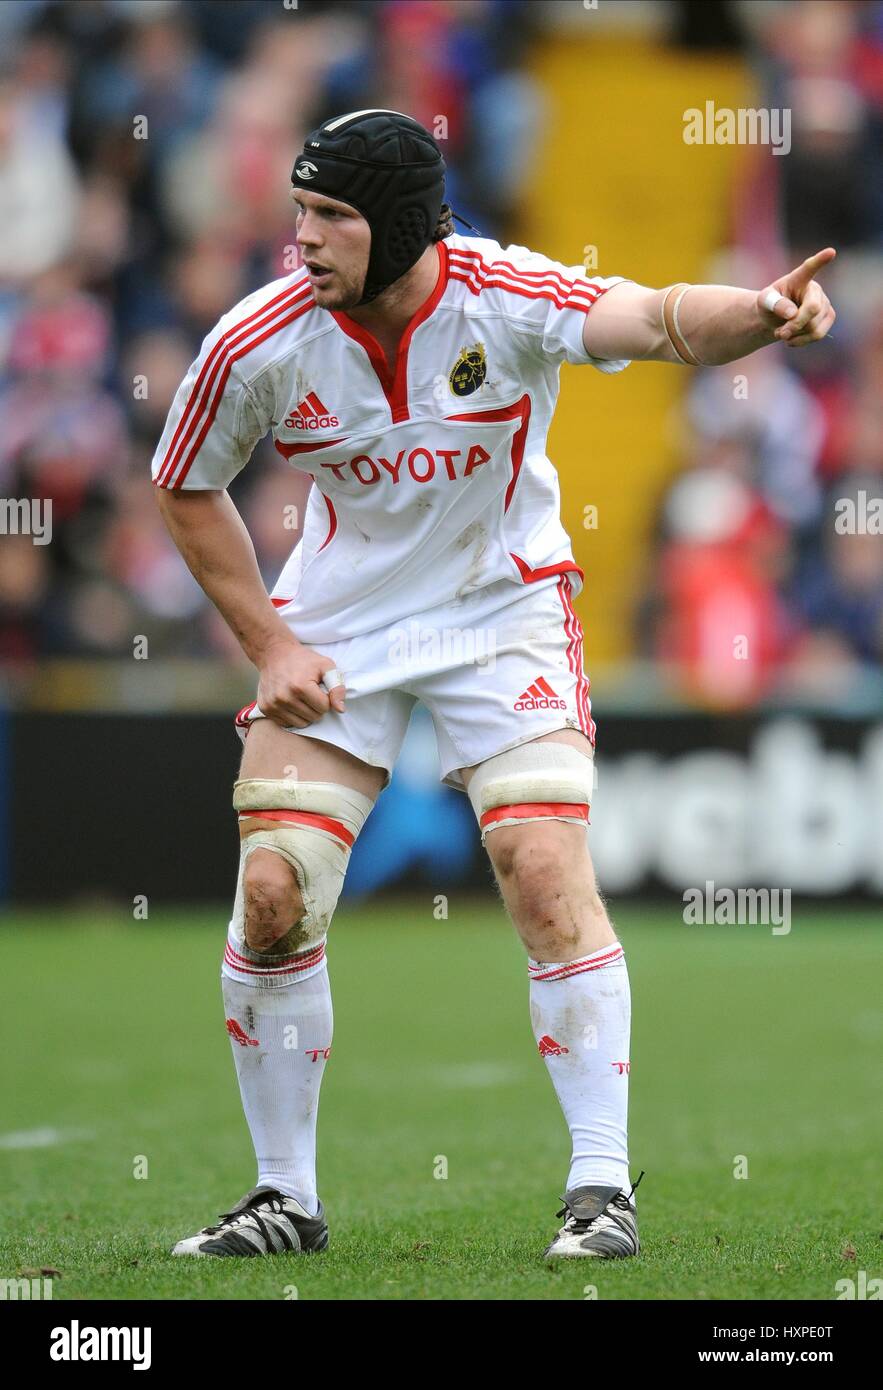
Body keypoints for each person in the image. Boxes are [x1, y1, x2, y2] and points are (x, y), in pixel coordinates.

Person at [152, 110, 835, 1260]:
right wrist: (269, 643)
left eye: (331, 216)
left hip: (497, 612)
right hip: (335, 629)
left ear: (406, 223)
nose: (302, 238)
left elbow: (660, 319)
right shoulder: (257, 340)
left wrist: (759, 317)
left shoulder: (505, 295)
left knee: (540, 868)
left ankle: (601, 1189)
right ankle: (285, 1197)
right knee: (272, 896)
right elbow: (184, 483)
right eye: (300, 210)